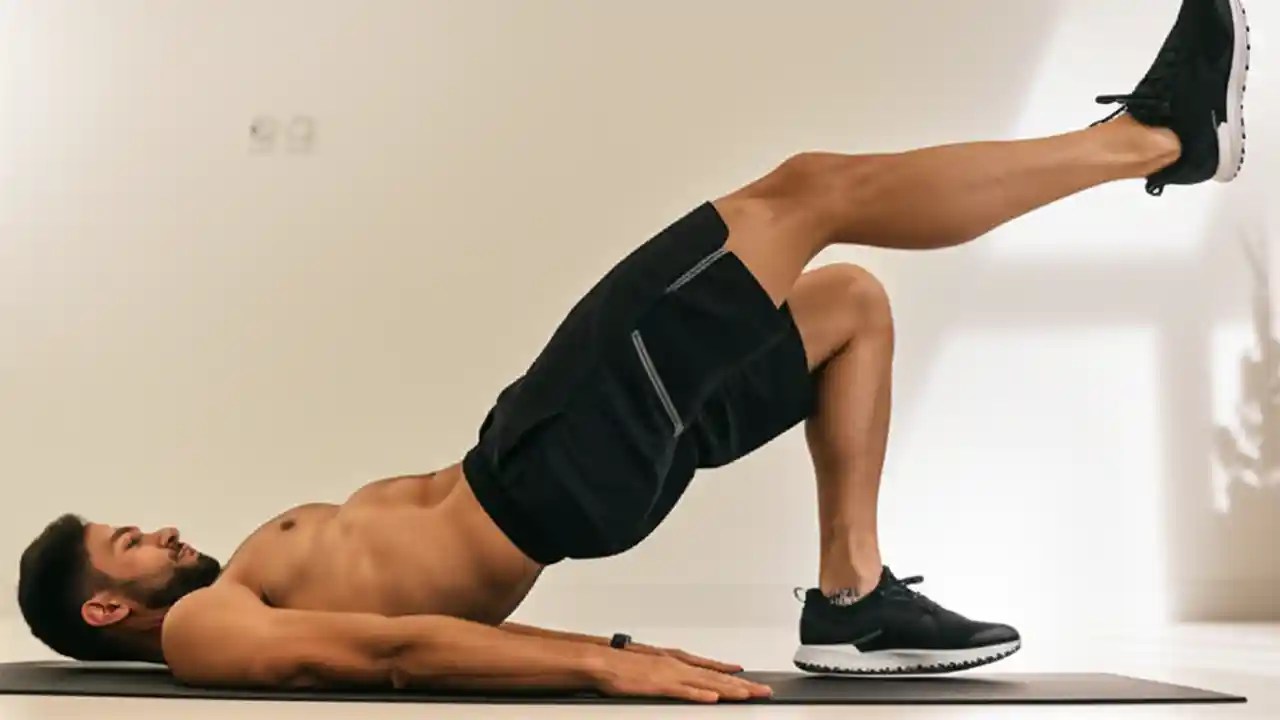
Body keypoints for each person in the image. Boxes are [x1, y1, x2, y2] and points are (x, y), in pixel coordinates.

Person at [17, 0, 1249, 704]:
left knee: (844, 308)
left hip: (552, 465)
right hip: (546, 470)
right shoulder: (200, 634)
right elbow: (394, 650)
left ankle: (853, 599)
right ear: (110, 602)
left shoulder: (234, 582)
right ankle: (1153, 141)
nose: (165, 530)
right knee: (804, 191)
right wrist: (605, 666)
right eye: (135, 543)